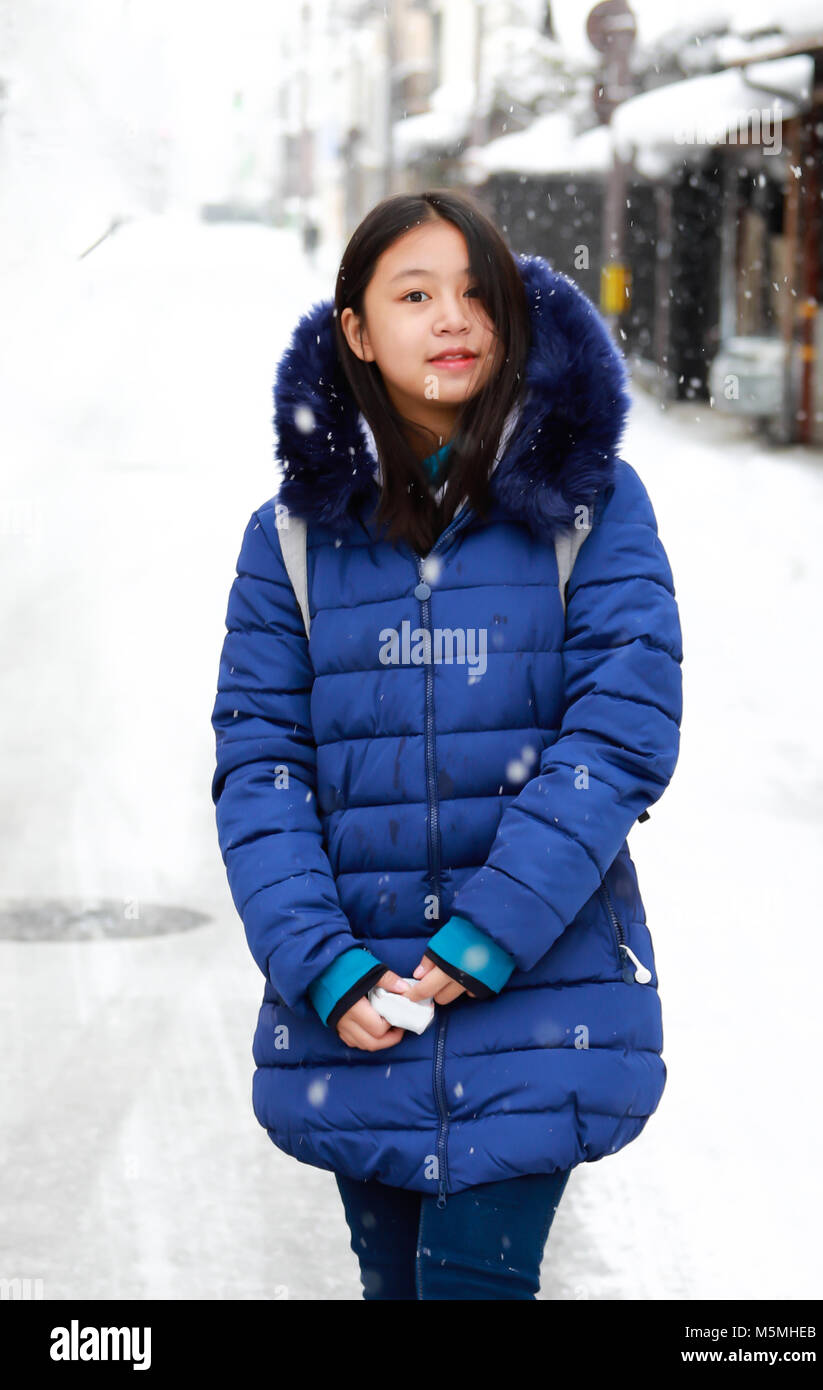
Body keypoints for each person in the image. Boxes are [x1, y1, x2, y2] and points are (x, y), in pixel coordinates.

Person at [210, 188, 684, 1300]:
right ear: (357, 333)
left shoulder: (588, 508)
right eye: (413, 294)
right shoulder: (287, 543)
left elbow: (617, 736)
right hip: (358, 1000)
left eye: (477, 292)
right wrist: (321, 965)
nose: (452, 317)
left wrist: (486, 936)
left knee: (471, 1281)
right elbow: (260, 768)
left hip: (540, 985)